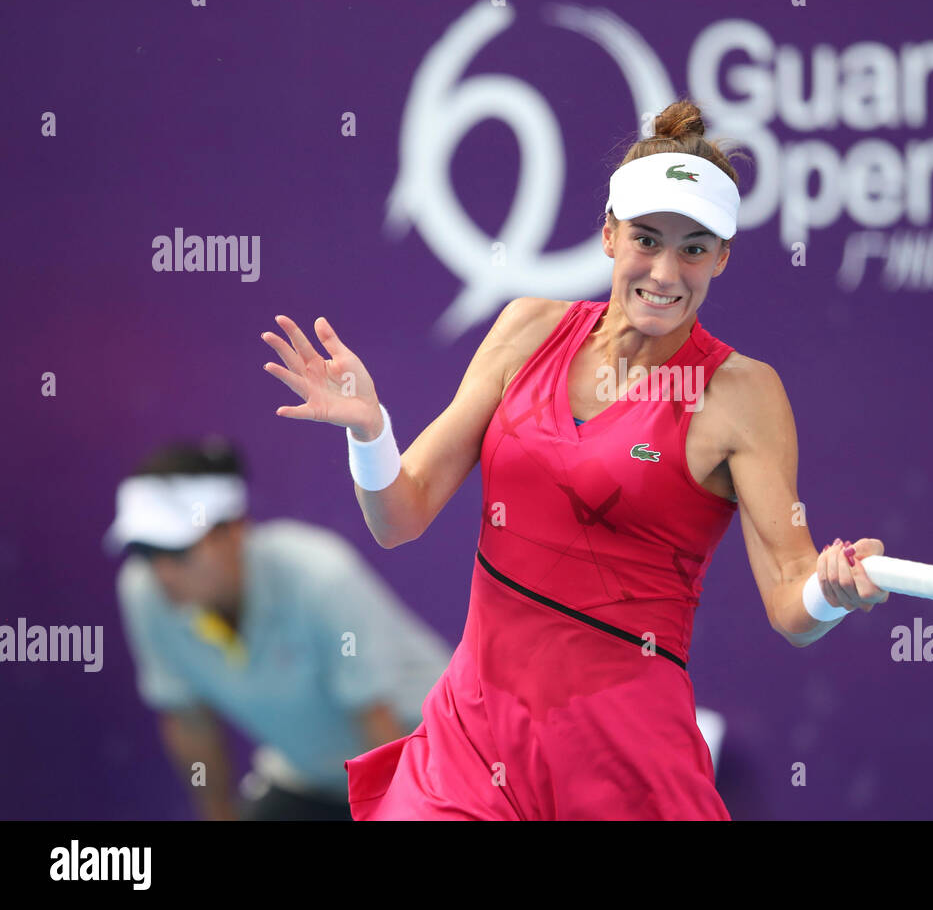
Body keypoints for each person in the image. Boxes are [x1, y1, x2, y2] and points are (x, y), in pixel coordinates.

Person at [261, 99, 890, 820]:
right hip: (471, 740)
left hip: (624, 762)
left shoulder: (741, 393)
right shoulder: (526, 327)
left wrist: (829, 593)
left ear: (722, 256)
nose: (665, 270)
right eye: (646, 239)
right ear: (609, 235)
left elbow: (790, 598)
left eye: (693, 247)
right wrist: (371, 433)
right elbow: (399, 515)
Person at [105, 437, 454, 820]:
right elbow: (190, 723)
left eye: (176, 551)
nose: (162, 572)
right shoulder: (144, 593)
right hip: (313, 779)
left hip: (433, 769)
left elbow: (379, 722)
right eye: (145, 552)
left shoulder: (319, 575)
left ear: (235, 530)